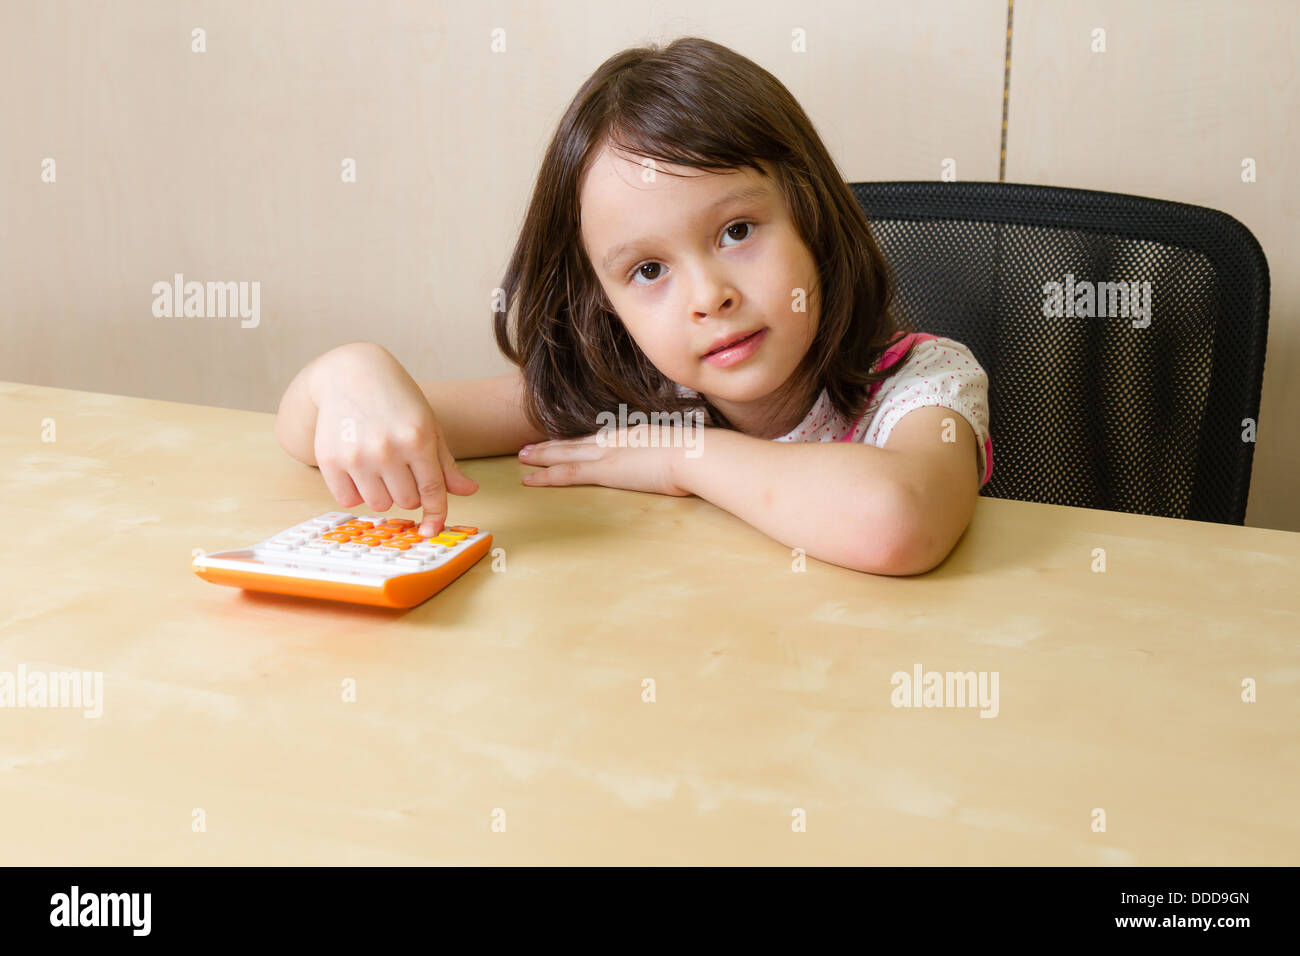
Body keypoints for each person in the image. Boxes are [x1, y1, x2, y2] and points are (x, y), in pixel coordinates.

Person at [276, 37, 993, 575]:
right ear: (607, 306)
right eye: (649, 269)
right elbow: (318, 436)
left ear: (812, 215)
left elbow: (896, 520)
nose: (709, 296)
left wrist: (681, 456)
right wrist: (350, 376)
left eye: (736, 231)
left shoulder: (922, 383)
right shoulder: (631, 393)